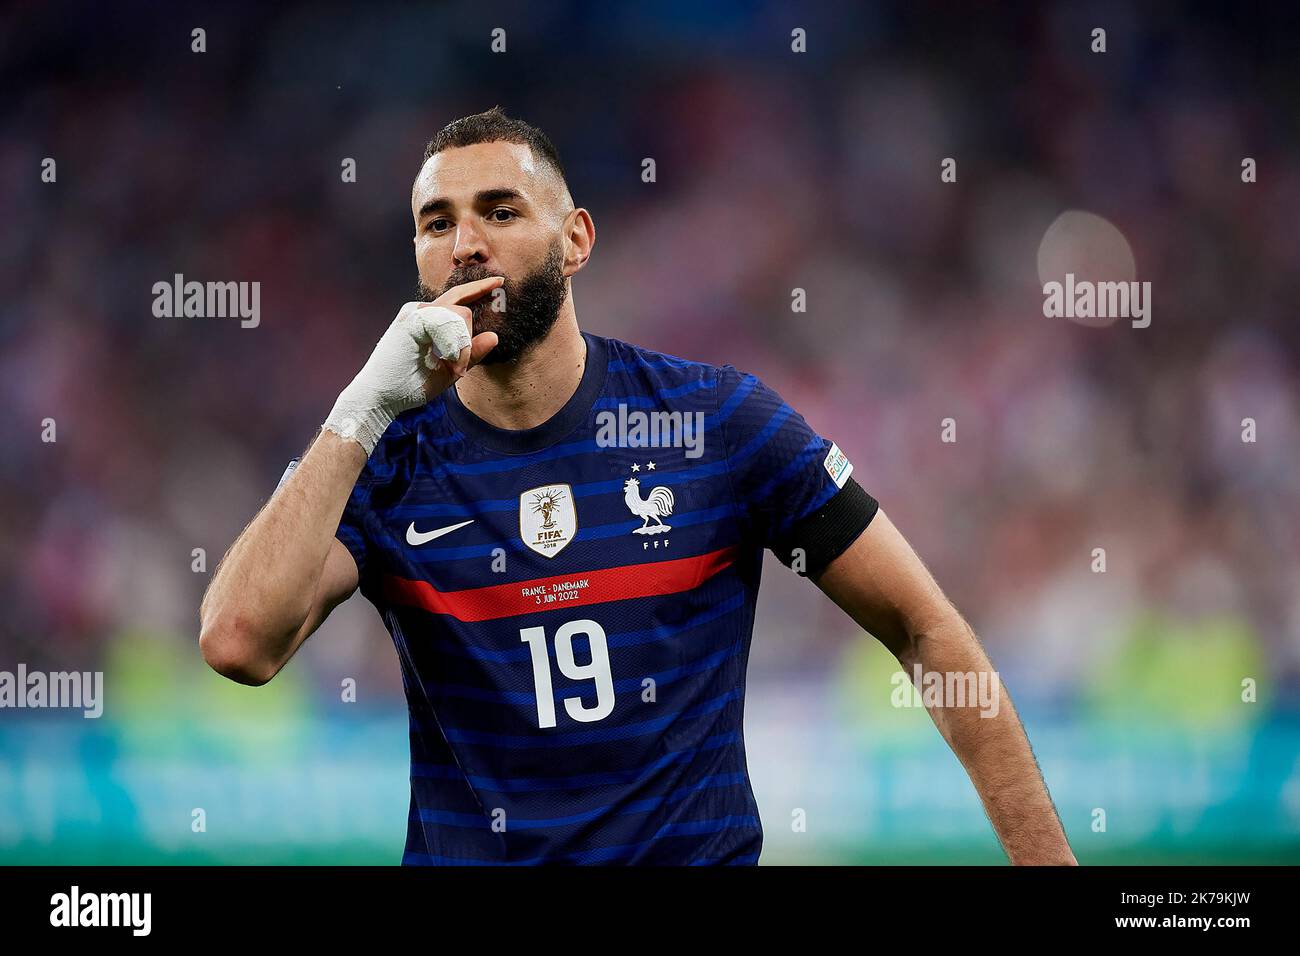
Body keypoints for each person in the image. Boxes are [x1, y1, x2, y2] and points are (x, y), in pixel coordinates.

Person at [199, 106, 1077, 866]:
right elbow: (239, 642)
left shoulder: (715, 422)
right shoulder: (384, 457)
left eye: (500, 211)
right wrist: (358, 410)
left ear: (576, 239)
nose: (466, 244)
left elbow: (924, 627)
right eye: (437, 223)